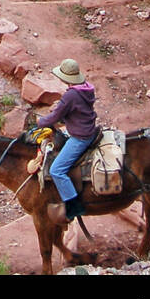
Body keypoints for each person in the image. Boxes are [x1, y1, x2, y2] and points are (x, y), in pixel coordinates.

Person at [35, 58, 99, 220]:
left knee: (56, 170)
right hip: (88, 129)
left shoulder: (71, 95)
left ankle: (74, 205)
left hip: (80, 137)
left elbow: (55, 117)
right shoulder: (85, 88)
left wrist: (40, 122)